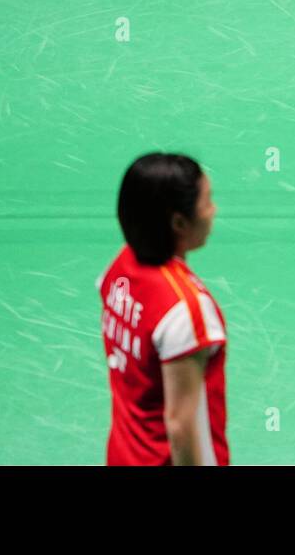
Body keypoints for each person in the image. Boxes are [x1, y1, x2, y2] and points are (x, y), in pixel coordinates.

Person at [99, 153, 228, 465]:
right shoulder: (186, 310)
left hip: (123, 455)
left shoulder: (120, 269)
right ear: (179, 222)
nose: (214, 212)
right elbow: (180, 425)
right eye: (207, 202)